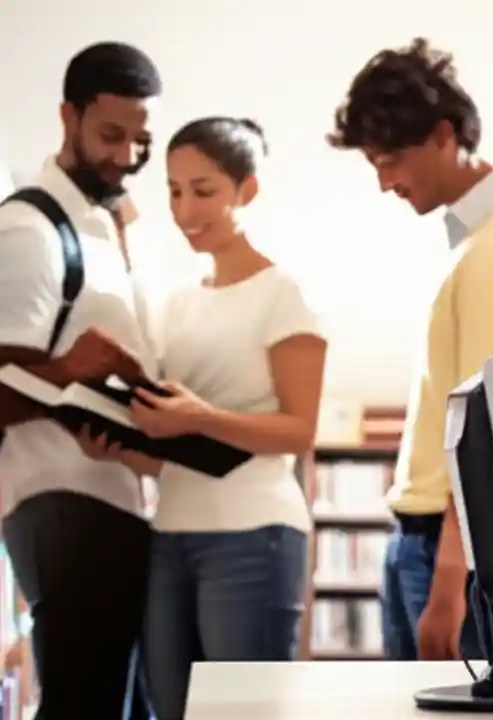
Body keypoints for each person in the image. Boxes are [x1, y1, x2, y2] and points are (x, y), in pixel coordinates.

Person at [78, 116, 327, 718]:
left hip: (254, 536)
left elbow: (299, 431)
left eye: (205, 190)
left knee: (238, 713)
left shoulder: (281, 294)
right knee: (169, 707)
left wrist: (200, 416)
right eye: (174, 189)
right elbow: (171, 445)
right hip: (171, 534)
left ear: (247, 190)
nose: (186, 208)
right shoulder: (174, 304)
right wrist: (116, 444)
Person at [328, 37, 493, 661]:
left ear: (443, 136)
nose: (384, 184)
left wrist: (451, 583)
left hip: (455, 552)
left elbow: (489, 432)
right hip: (432, 542)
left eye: (391, 161)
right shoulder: (478, 242)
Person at [0, 42, 161, 719]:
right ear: (68, 117)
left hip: (117, 504)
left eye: (140, 141)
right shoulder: (29, 229)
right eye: (110, 136)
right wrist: (70, 371)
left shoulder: (106, 228)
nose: (126, 157)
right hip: (64, 508)